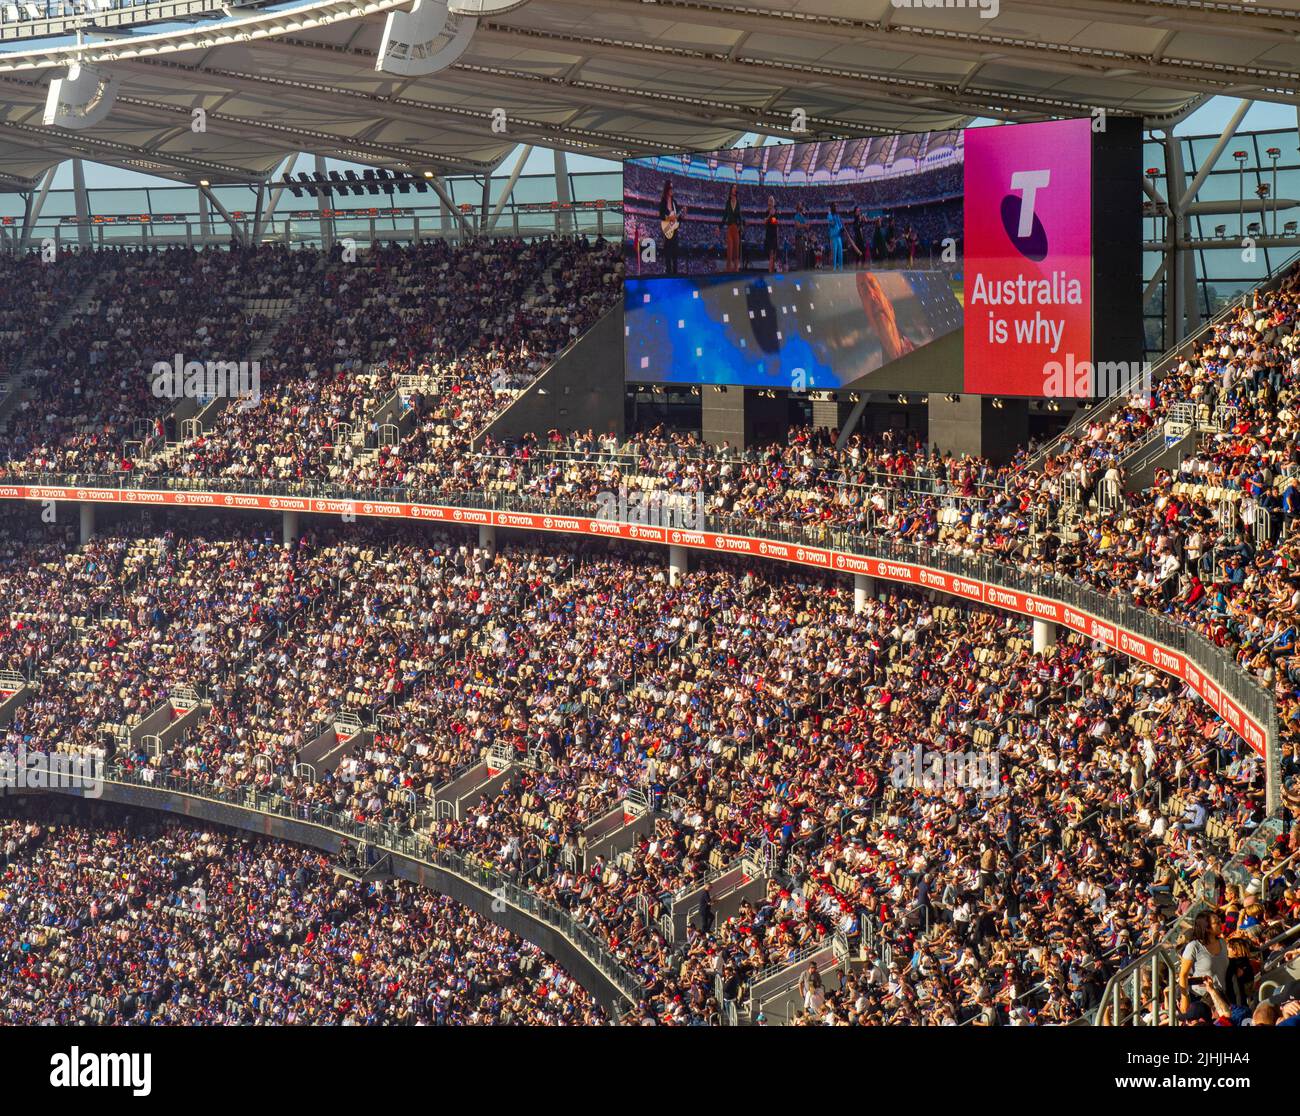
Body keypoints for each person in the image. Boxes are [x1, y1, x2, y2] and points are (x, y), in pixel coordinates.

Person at [659, 180, 682, 276]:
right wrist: (669, 218)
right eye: (670, 188)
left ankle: (675, 273)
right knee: (668, 253)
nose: (672, 190)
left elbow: (677, 217)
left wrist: (682, 214)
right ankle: (668, 273)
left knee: (675, 252)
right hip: (667, 228)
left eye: (672, 188)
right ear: (667, 189)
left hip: (675, 229)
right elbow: (661, 215)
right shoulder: (663, 201)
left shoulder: (674, 203)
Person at [720, 185, 743, 273]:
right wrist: (720, 227)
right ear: (731, 190)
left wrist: (740, 225)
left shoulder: (738, 203)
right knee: (730, 248)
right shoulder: (727, 202)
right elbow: (725, 215)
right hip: (729, 228)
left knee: (736, 249)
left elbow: (739, 215)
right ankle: (728, 268)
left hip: (736, 228)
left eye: (736, 188)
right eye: (733, 187)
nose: (735, 189)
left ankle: (736, 268)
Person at [764, 196, 780, 274]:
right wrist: (770, 215)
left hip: (774, 235)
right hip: (769, 234)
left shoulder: (776, 212)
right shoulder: (767, 212)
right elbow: (765, 222)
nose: (771, 202)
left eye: (772, 201)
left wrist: (773, 216)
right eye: (770, 200)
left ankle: (772, 271)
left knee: (774, 255)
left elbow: (775, 223)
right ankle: (770, 272)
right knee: (770, 255)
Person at [826, 203, 844, 271]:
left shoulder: (837, 216)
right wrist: (831, 214)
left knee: (840, 253)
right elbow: (832, 224)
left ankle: (840, 268)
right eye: (835, 206)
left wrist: (842, 228)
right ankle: (833, 268)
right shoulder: (829, 215)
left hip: (838, 236)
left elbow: (840, 225)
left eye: (837, 206)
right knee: (834, 253)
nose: (836, 207)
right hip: (833, 237)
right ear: (832, 207)